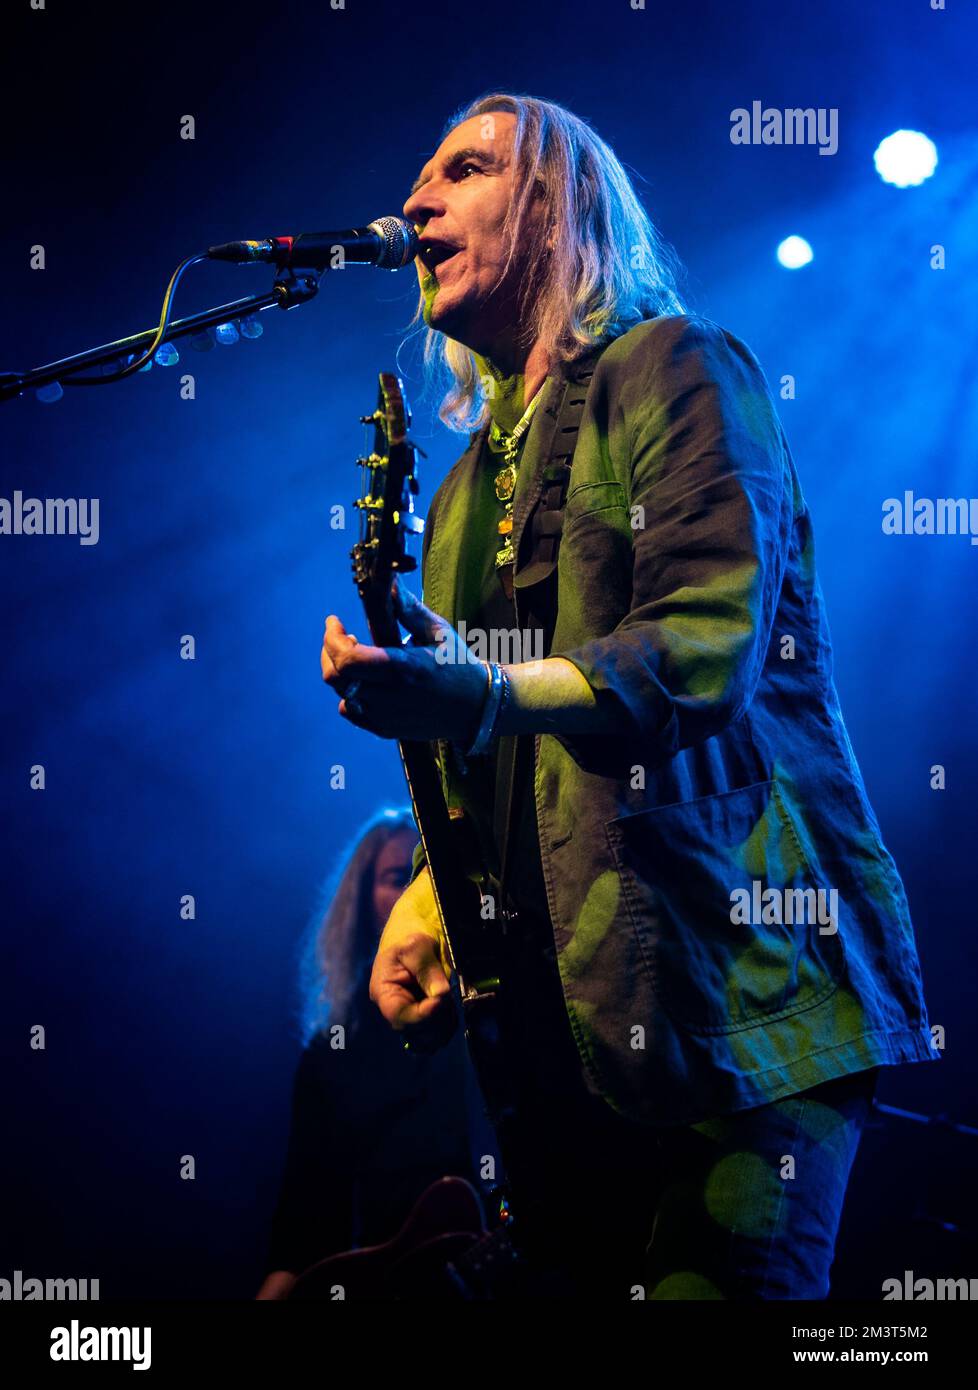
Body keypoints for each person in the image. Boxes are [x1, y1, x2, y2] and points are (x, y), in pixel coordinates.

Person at [319, 93, 938, 1298]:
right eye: (418, 177)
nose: (414, 204)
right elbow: (504, 761)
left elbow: (699, 650)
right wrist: (438, 909)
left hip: (742, 1005)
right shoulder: (455, 506)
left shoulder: (677, 368)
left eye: (463, 170)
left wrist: (481, 695)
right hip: (575, 1051)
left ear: (552, 205)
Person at [256, 808, 495, 1300]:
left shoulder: (496, 1013)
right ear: (360, 904)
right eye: (395, 879)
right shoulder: (331, 1057)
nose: (412, 898)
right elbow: (305, 1227)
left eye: (422, 880)